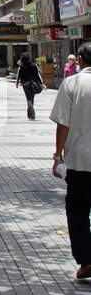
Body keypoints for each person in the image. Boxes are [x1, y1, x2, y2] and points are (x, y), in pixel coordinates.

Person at [50, 41, 91, 279]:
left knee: (77, 213)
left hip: (79, 162)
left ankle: (86, 261)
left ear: (81, 61)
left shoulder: (72, 83)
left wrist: (57, 156)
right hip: (80, 162)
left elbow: (63, 122)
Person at [16, 52, 44, 120]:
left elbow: (18, 75)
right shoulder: (34, 65)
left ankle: (31, 114)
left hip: (25, 84)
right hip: (33, 84)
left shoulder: (21, 66)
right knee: (31, 98)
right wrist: (42, 83)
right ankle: (31, 114)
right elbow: (38, 75)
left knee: (28, 99)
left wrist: (17, 83)